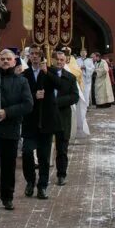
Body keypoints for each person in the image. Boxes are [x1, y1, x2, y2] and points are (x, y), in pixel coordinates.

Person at [0, 48, 32, 216]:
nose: (6, 61)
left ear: (15, 61)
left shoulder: (22, 82)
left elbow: (28, 104)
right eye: (3, 59)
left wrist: (7, 112)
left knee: (9, 166)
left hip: (12, 129)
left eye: (9, 59)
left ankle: (7, 197)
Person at [20, 47, 62, 200]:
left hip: (46, 120)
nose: (35, 57)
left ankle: (42, 186)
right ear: (29, 56)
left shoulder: (49, 71)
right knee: (26, 152)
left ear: (42, 56)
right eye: (32, 54)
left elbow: (60, 85)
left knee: (44, 156)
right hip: (30, 120)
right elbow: (20, 94)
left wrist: (47, 73)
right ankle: (30, 181)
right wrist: (33, 95)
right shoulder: (25, 74)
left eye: (38, 54)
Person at [51, 49, 81, 187]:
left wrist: (58, 102)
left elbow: (75, 96)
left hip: (63, 117)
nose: (59, 62)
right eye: (57, 59)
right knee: (45, 147)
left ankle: (61, 174)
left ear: (65, 61)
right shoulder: (47, 74)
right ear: (52, 60)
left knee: (62, 148)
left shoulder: (70, 77)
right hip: (47, 116)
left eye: (62, 60)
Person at [75, 49, 93, 137]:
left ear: (86, 53)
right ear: (80, 53)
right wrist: (79, 68)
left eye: (84, 52)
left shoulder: (89, 60)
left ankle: (86, 106)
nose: (83, 53)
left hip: (86, 80)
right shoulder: (77, 60)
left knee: (86, 94)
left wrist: (86, 68)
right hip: (79, 80)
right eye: (81, 52)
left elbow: (92, 69)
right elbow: (74, 69)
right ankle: (81, 108)